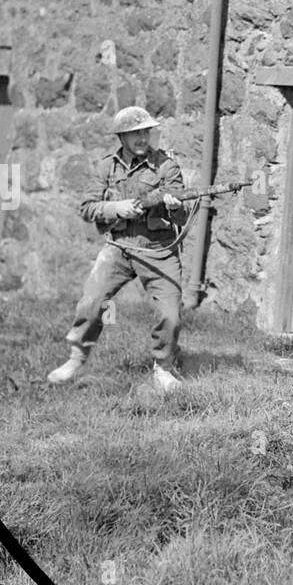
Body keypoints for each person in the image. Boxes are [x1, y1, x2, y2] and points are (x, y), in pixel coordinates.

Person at [46, 106, 188, 393]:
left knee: (171, 314)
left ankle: (163, 368)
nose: (142, 138)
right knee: (92, 302)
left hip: (158, 249)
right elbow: (87, 208)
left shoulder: (166, 166)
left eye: (146, 132)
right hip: (118, 247)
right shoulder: (106, 167)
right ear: (122, 137)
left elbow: (181, 213)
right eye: (135, 133)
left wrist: (175, 207)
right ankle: (76, 358)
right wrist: (116, 208)